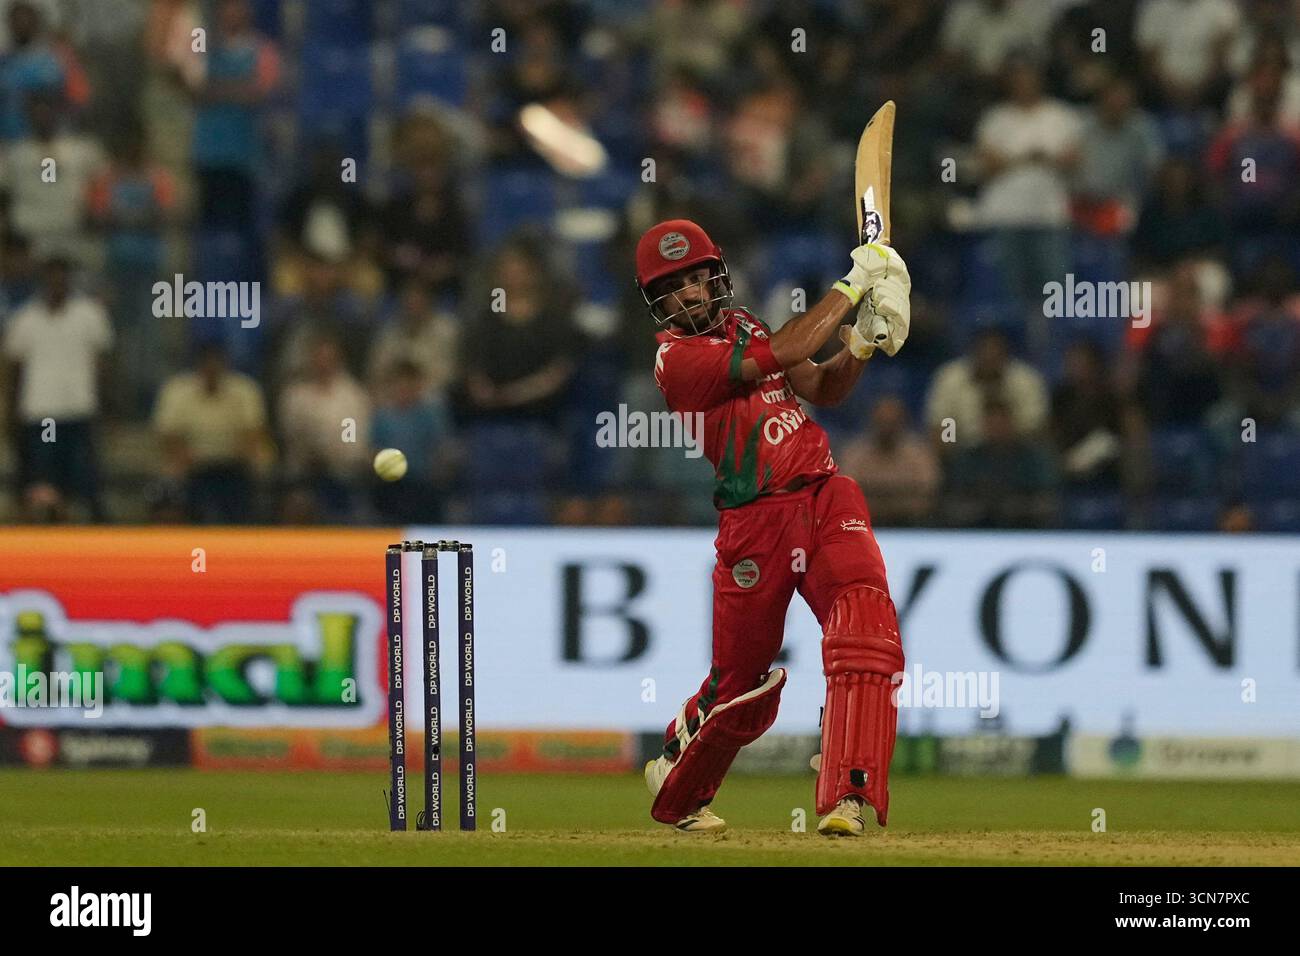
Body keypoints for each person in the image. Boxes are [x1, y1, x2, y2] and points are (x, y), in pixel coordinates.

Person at [635, 218, 912, 836]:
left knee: (866, 629)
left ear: (715, 275)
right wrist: (858, 278)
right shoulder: (676, 359)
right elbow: (790, 350)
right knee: (743, 682)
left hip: (824, 490)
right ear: (659, 301)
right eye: (672, 287)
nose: (688, 294)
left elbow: (824, 386)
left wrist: (862, 343)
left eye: (695, 278)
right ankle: (680, 782)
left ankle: (849, 796)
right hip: (755, 520)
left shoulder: (750, 324)